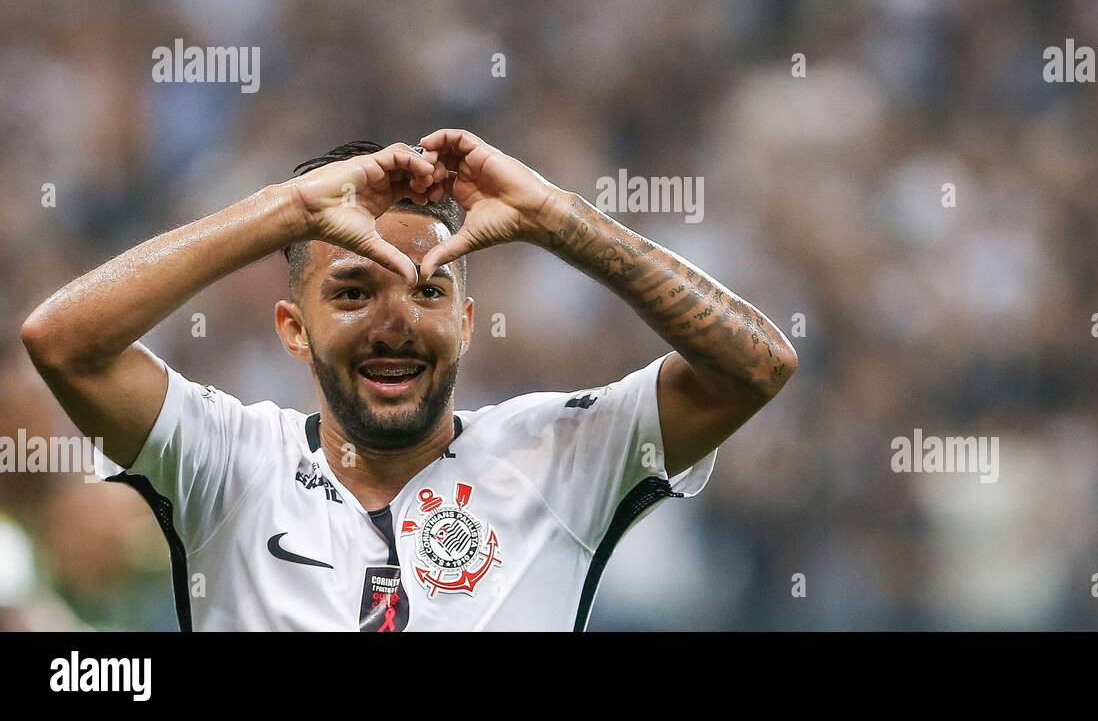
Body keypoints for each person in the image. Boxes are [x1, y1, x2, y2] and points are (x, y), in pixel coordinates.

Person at [21, 129, 798, 630]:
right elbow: (62, 342)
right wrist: (288, 209)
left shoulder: (557, 454)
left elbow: (756, 365)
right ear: (294, 329)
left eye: (429, 289)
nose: (395, 322)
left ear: (465, 322)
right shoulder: (227, 458)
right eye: (354, 291)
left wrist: (555, 216)